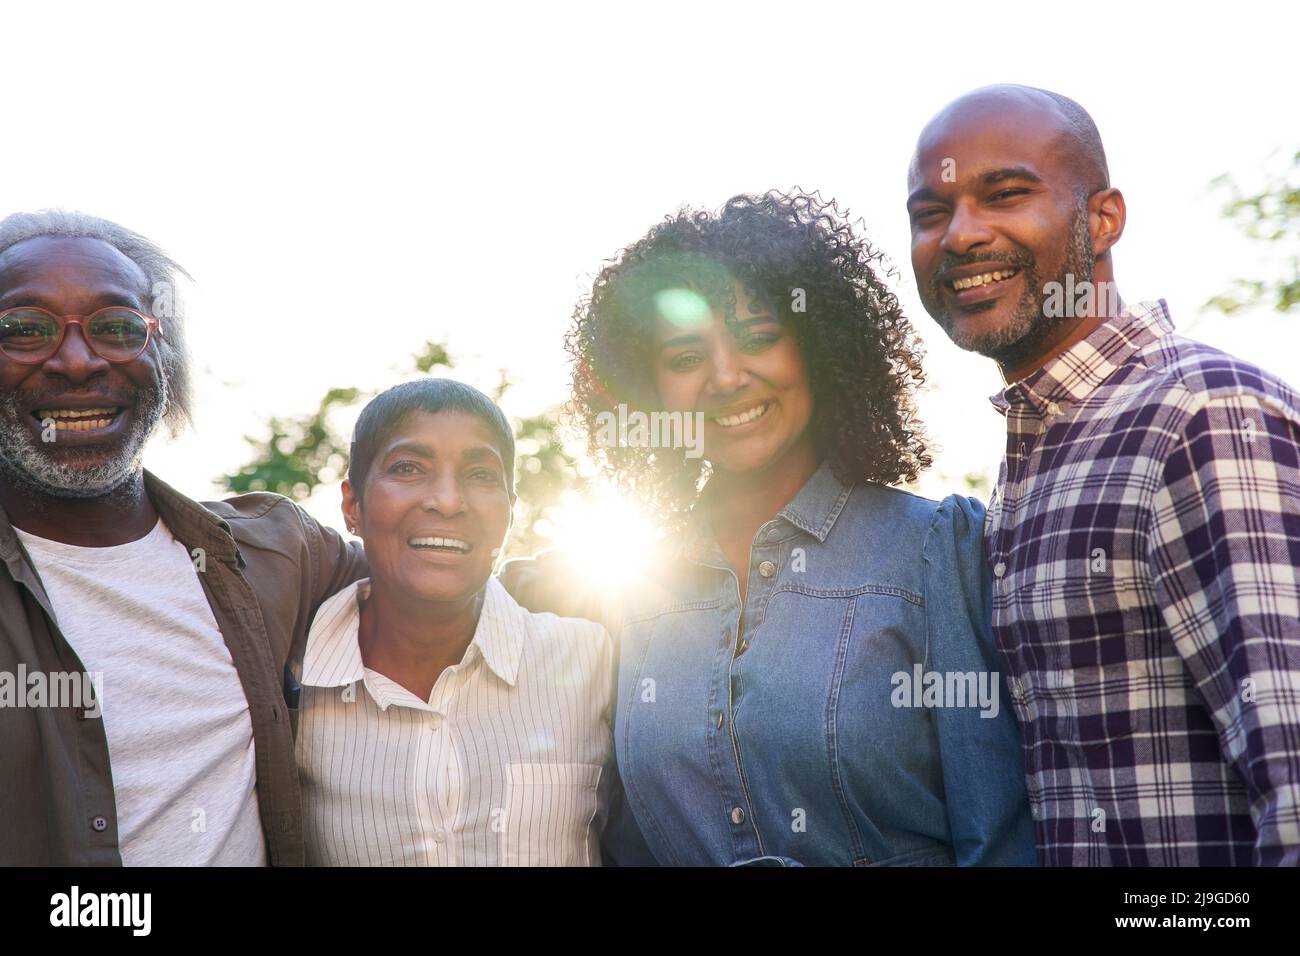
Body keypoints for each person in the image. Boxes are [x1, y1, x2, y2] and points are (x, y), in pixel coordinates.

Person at [506, 190, 1036, 866]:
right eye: (686, 358)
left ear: (819, 350)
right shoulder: (628, 595)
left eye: (760, 338)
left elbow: (998, 840)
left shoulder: (935, 553)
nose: (726, 377)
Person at [907, 84, 1300, 865]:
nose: (959, 236)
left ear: (1103, 218)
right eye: (929, 213)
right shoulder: (1038, 459)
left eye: (1005, 194)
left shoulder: (1201, 414)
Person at [0, 210, 365, 865]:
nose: (78, 361)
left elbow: (449, 584)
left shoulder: (274, 552)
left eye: (117, 328)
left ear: (163, 355)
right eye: (24, 329)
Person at [296, 378, 625, 865]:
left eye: (480, 474)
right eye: (408, 468)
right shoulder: (291, 686)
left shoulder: (594, 661)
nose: (448, 501)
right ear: (352, 506)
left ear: (510, 514)